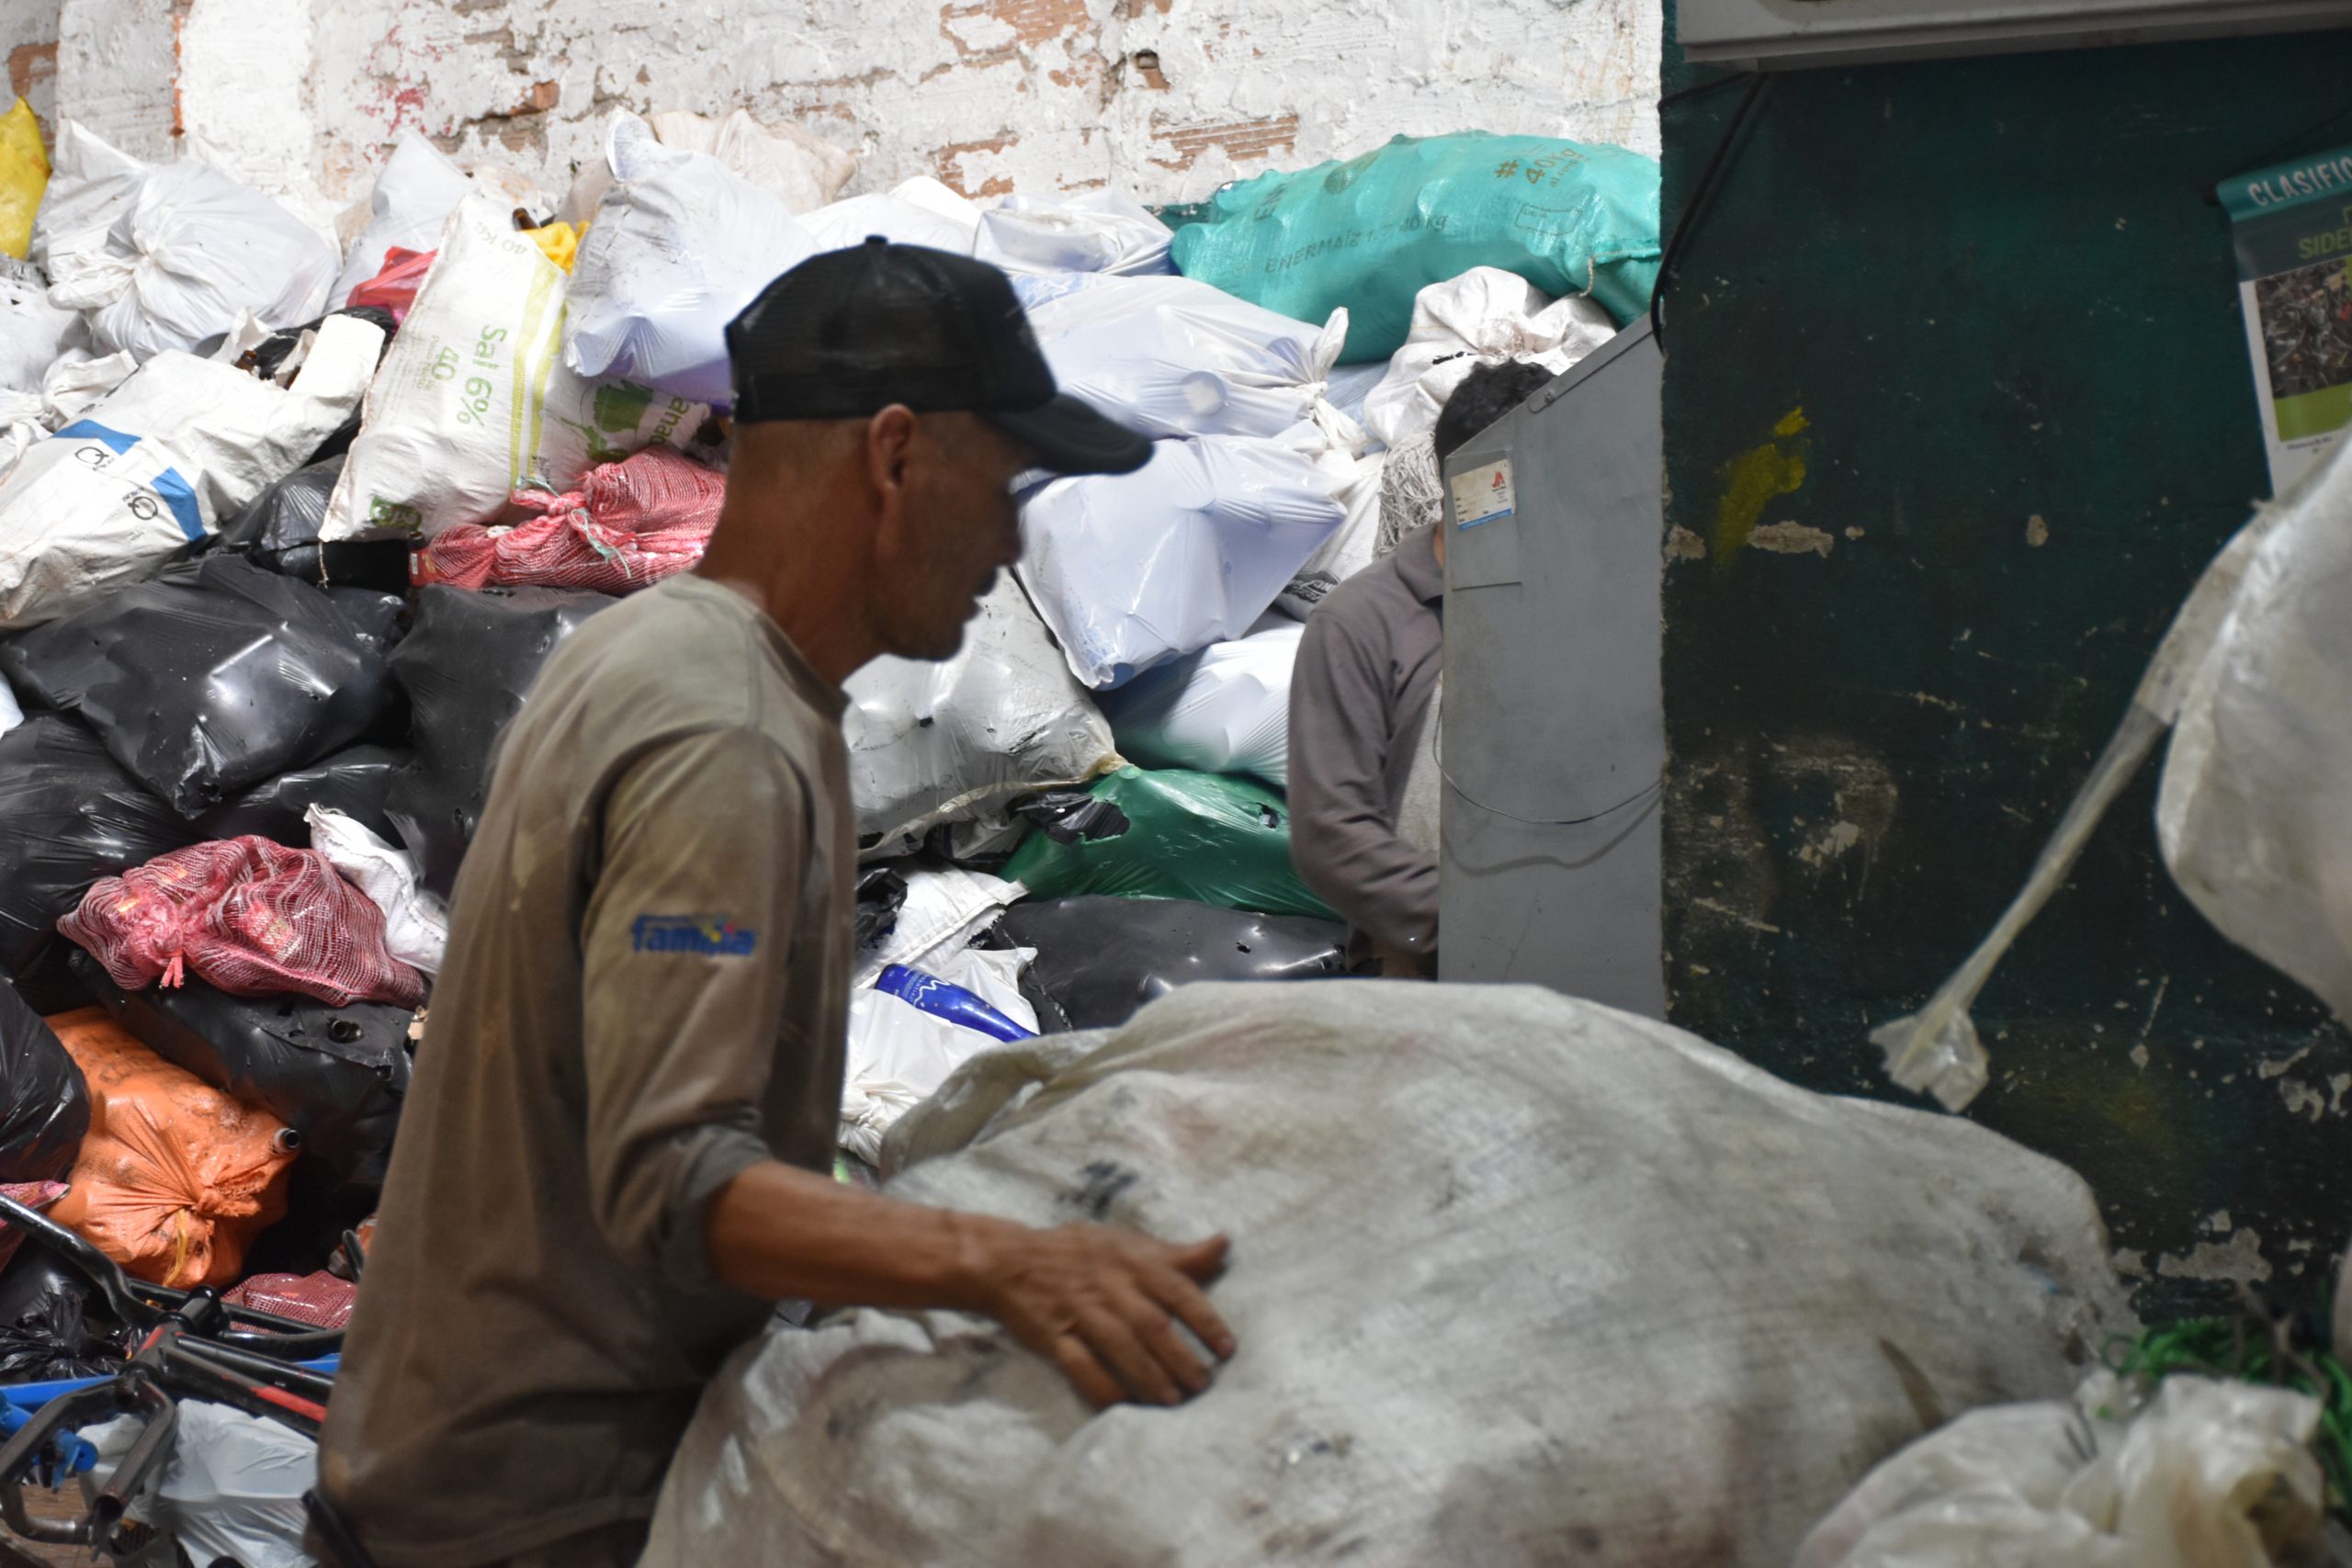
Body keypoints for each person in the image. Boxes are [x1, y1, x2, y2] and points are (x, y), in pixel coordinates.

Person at [310, 242, 1237, 1568]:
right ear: (899, 455)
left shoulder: (648, 647)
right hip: (538, 1510)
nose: (1014, 536)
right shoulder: (724, 729)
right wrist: (1012, 1262)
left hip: (435, 1454)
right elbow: (679, 1185)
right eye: (1003, 480)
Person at [1287, 358, 1556, 976]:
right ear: (1471, 482)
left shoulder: (1577, 604)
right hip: (1424, 972)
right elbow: (1332, 836)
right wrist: (1483, 927)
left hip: (1578, 957)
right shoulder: (1360, 622)